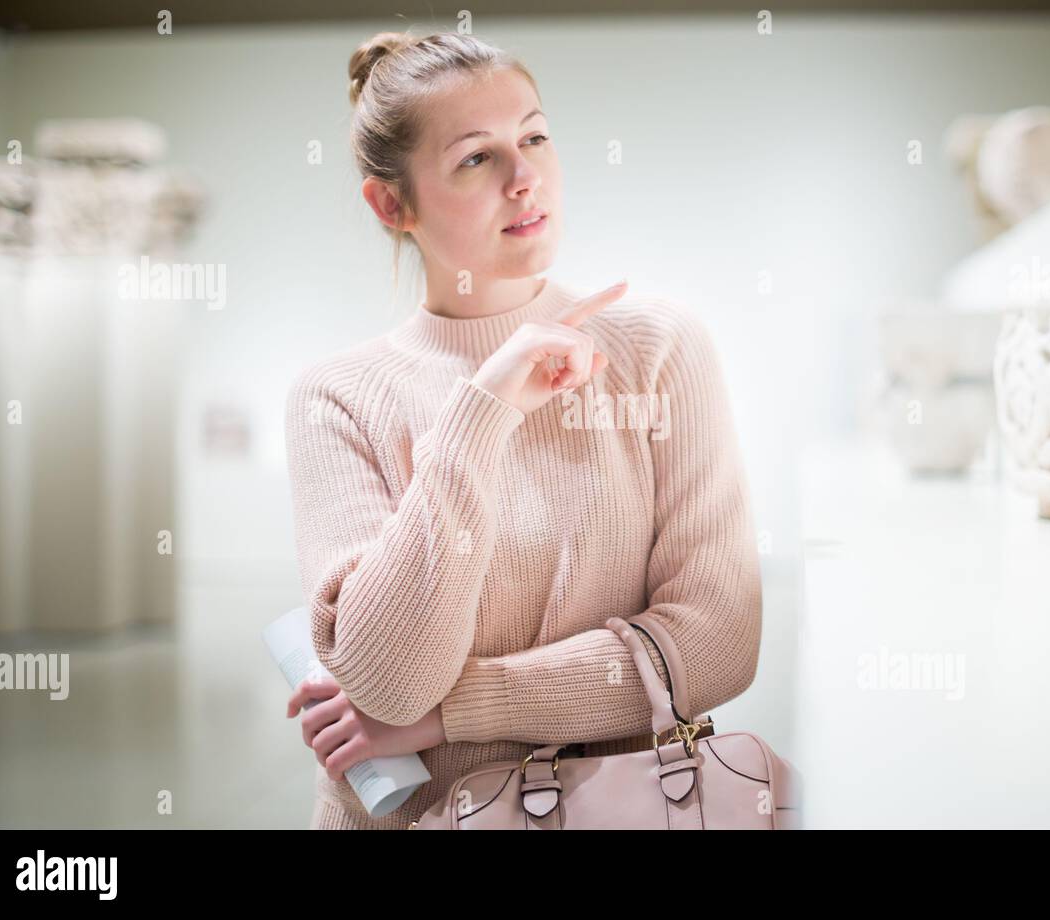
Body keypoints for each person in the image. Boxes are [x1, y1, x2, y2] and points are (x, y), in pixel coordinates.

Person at [283, 29, 763, 829]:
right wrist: (485, 408)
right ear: (391, 204)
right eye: (477, 157)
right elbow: (389, 682)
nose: (524, 177)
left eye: (534, 137)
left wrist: (453, 714)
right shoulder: (334, 398)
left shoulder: (658, 349)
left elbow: (714, 646)